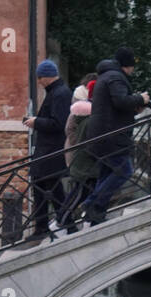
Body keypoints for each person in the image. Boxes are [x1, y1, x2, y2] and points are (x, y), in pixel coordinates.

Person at [82, 47, 150, 225]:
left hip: (103, 134)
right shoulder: (115, 77)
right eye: (132, 66)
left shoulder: (107, 75)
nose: (133, 70)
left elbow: (115, 107)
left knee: (107, 173)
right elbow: (120, 101)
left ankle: (96, 214)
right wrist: (140, 98)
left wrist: (135, 107)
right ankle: (93, 204)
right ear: (127, 65)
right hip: (111, 136)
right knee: (123, 170)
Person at [24, 60, 72, 238]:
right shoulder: (58, 92)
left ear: (45, 77)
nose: (39, 81)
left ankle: (60, 224)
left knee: (50, 188)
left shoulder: (59, 94)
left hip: (51, 150)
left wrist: (36, 122)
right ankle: (51, 225)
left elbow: (58, 123)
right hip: (48, 149)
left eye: (40, 78)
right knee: (45, 186)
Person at [61, 75, 98, 232]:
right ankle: (62, 222)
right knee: (80, 190)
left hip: (80, 155)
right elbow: (70, 130)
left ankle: (86, 218)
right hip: (79, 156)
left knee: (86, 190)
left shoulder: (83, 107)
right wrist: (80, 145)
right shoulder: (82, 109)